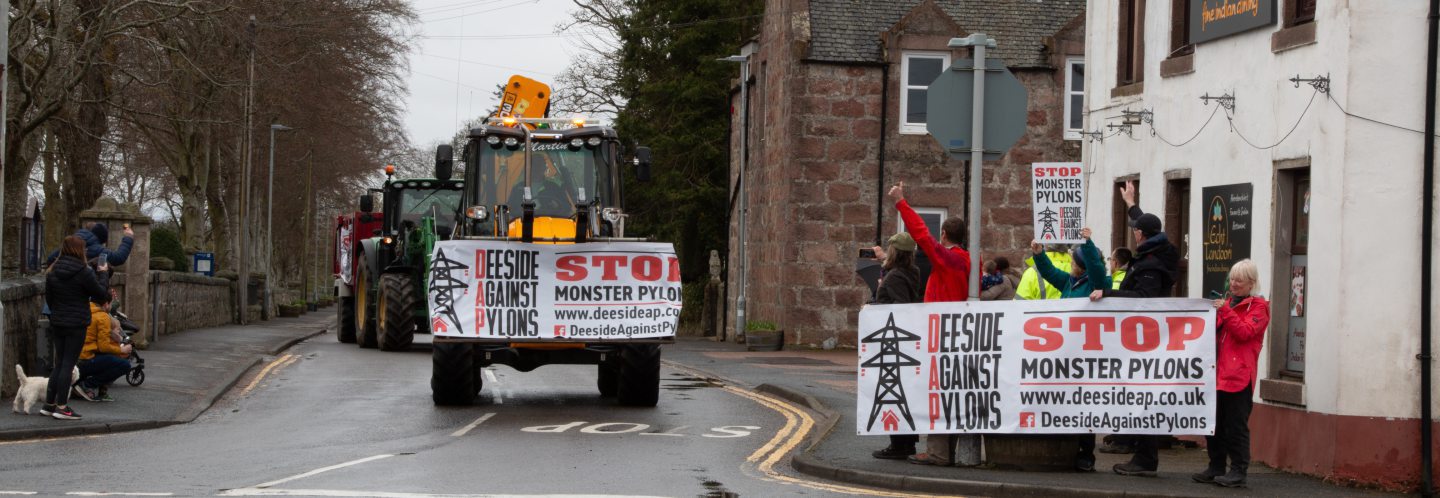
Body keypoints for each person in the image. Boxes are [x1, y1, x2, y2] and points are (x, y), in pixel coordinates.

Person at [1090, 180, 1181, 477]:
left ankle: (1145, 459)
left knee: (1143, 398)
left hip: (1146, 340)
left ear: (1141, 236)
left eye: (1135, 231)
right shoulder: (1160, 247)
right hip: (1142, 338)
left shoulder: (1151, 263)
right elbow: (1145, 225)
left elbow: (1145, 299)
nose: (1134, 234)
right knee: (1138, 397)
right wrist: (1131, 203)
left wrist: (1110, 294)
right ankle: (1138, 451)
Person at [888, 181, 979, 467]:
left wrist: (901, 202)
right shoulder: (967, 260)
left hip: (942, 332)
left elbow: (921, 236)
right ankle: (946, 451)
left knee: (937, 391)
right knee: (950, 391)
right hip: (959, 331)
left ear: (944, 234)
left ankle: (939, 453)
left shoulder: (949, 259)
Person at [1030, 227, 1110, 472]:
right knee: (1067, 401)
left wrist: (1087, 242)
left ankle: (1086, 454)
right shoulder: (1071, 282)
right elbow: (1050, 272)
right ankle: (1066, 450)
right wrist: (1039, 254)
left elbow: (1097, 270)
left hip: (1087, 353)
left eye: (1074, 260)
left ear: (1080, 265)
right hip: (1066, 352)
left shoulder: (1098, 282)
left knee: (1085, 404)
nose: (1070, 264)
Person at [1193, 259, 1269, 488]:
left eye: (1239, 280)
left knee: (1236, 427)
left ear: (1251, 283)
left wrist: (1225, 310)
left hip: (1238, 376)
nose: (1234, 283)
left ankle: (1238, 471)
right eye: (1232, 278)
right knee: (1213, 423)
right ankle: (1216, 466)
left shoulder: (1258, 307)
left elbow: (1245, 332)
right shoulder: (1226, 304)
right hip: (1216, 374)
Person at [867, 232, 923, 460]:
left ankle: (900, 446)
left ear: (894, 252)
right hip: (902, 341)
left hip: (892, 340)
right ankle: (906, 443)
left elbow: (902, 307)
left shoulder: (896, 276)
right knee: (905, 391)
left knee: (893, 392)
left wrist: (876, 305)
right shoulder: (910, 272)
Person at [42, 236, 111, 420]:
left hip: (58, 321)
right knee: (68, 364)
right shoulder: (84, 272)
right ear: (80, 250)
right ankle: (62, 407)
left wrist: (59, 313)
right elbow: (101, 294)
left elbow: (49, 299)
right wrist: (103, 273)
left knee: (59, 363)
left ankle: (49, 404)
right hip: (77, 323)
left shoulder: (52, 270)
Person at [74, 294, 134, 403]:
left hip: (73, 359)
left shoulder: (83, 310)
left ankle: (81, 385)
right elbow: (104, 347)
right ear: (106, 304)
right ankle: (86, 385)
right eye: (111, 304)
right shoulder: (102, 316)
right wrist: (122, 350)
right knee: (124, 365)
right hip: (85, 360)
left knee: (108, 359)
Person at [45, 222, 135, 268]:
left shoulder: (70, 242)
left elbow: (50, 260)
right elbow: (118, 258)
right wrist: (128, 237)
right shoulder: (96, 249)